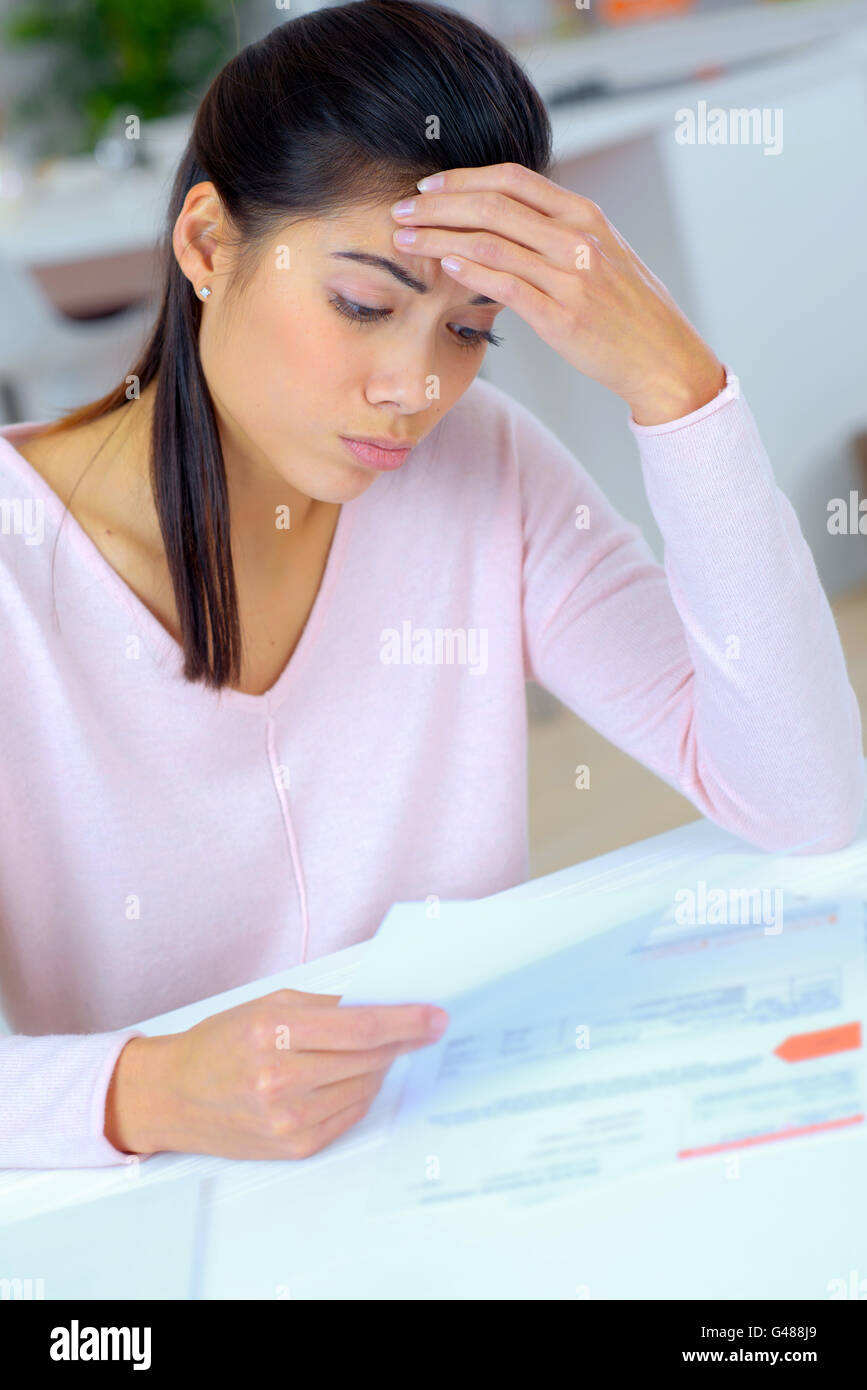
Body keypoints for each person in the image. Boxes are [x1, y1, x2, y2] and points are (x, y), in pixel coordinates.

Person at [0, 0, 861, 1170]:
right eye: (363, 304)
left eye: (471, 329)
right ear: (207, 246)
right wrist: (141, 1091)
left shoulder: (484, 468)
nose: (416, 385)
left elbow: (807, 798)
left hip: (458, 1174)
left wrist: (679, 385)